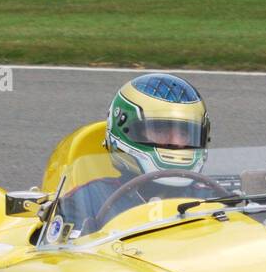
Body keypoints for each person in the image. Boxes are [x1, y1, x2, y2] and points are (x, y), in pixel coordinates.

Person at [60, 73, 215, 234]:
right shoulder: (87, 200)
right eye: (160, 130)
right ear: (125, 130)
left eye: (184, 134)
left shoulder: (211, 198)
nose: (175, 142)